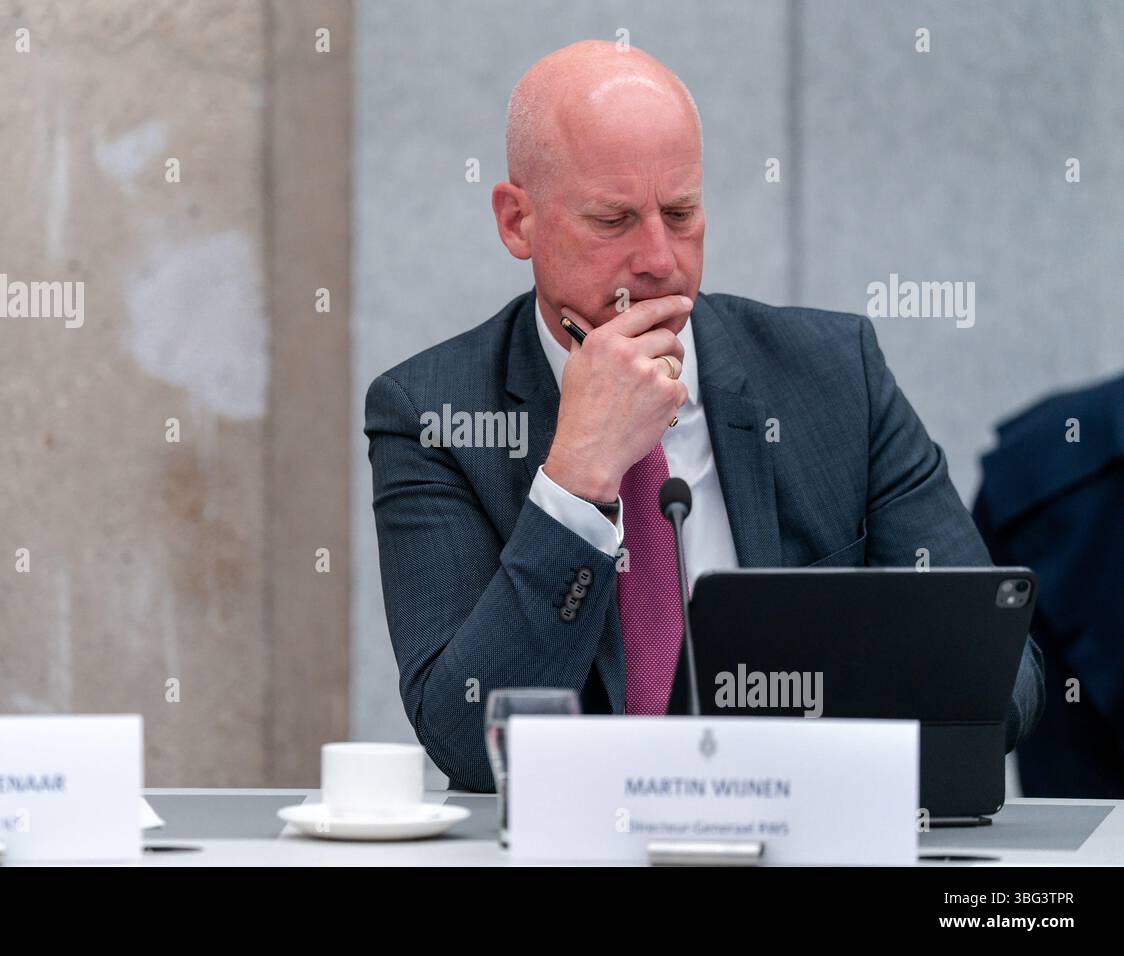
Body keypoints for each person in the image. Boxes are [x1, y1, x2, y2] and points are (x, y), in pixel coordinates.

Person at [365, 40, 1044, 792]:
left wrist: (777, 747)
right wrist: (579, 479)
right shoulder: (433, 412)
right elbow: (465, 738)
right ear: (517, 221)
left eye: (681, 213)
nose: (659, 258)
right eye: (614, 219)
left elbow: (1005, 676)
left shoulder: (835, 373)